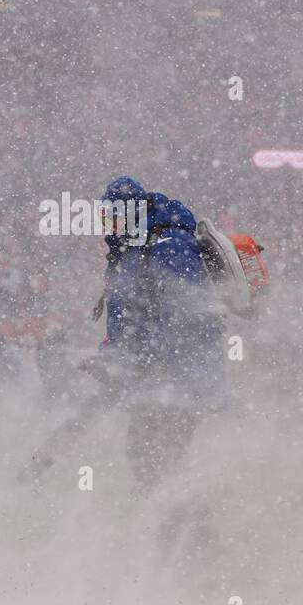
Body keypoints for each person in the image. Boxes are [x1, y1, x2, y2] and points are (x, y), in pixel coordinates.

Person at [95, 176, 226, 484]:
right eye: (105, 218)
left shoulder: (170, 247)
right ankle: (168, 515)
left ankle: (186, 517)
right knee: (146, 453)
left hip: (178, 376)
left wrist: (156, 358)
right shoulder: (130, 250)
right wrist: (110, 356)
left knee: (159, 453)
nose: (107, 225)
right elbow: (129, 319)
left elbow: (188, 315)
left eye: (113, 217)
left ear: (131, 214)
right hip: (154, 376)